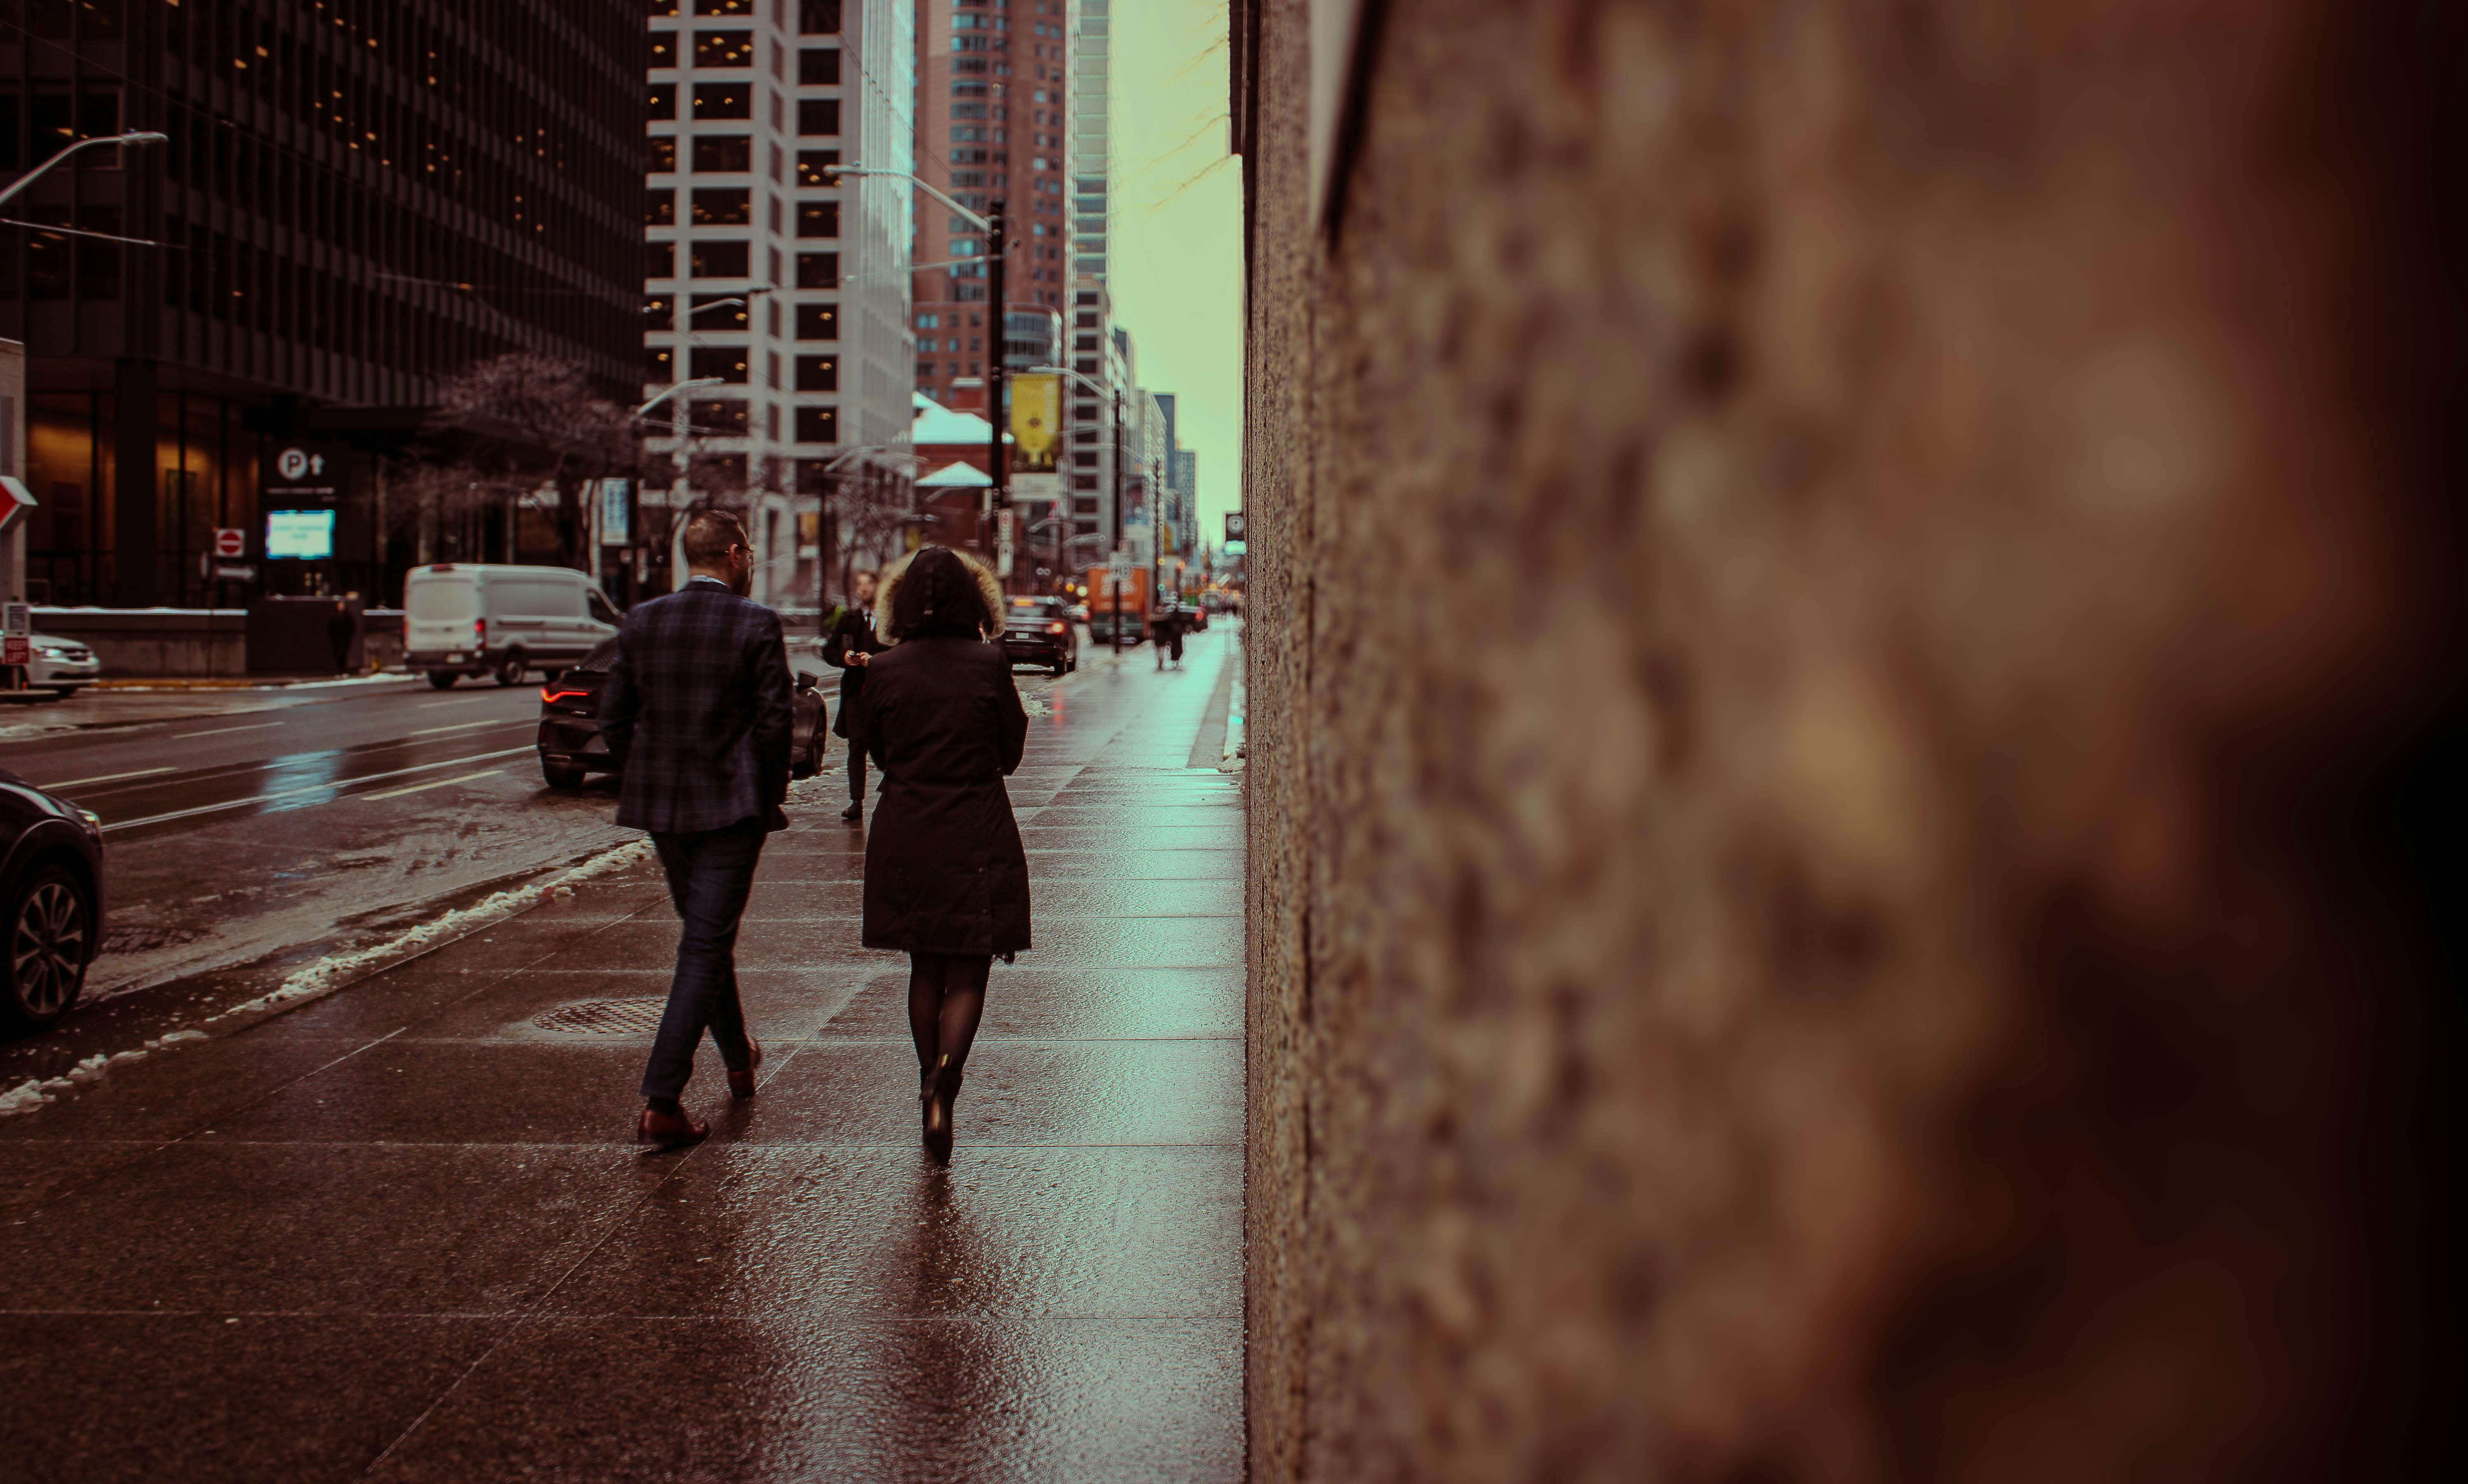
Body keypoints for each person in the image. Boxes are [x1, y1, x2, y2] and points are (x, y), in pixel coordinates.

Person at [597, 510, 795, 1151]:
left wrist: (648, 770)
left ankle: (738, 1057)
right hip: (731, 808)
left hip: (664, 809)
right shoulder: (755, 622)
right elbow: (775, 724)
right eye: (751, 554)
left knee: (706, 938)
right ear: (735, 555)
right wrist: (766, 795)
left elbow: (613, 719)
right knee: (705, 944)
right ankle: (662, 1100)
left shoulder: (642, 620)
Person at [857, 546, 1031, 1163]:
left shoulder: (884, 668)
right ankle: (945, 1082)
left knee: (925, 966)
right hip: (975, 825)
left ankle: (927, 1078)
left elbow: (876, 750)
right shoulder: (989, 664)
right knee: (969, 970)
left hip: (906, 827)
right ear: (972, 598)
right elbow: (1011, 752)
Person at [823, 568, 888, 823]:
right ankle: (856, 801)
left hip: (882, 692)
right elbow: (829, 649)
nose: (862, 590)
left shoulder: (890, 621)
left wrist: (876, 660)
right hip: (855, 692)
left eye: (867, 584)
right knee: (857, 746)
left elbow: (902, 651)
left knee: (885, 743)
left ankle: (892, 789)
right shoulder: (849, 619)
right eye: (859, 585)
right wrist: (844, 657)